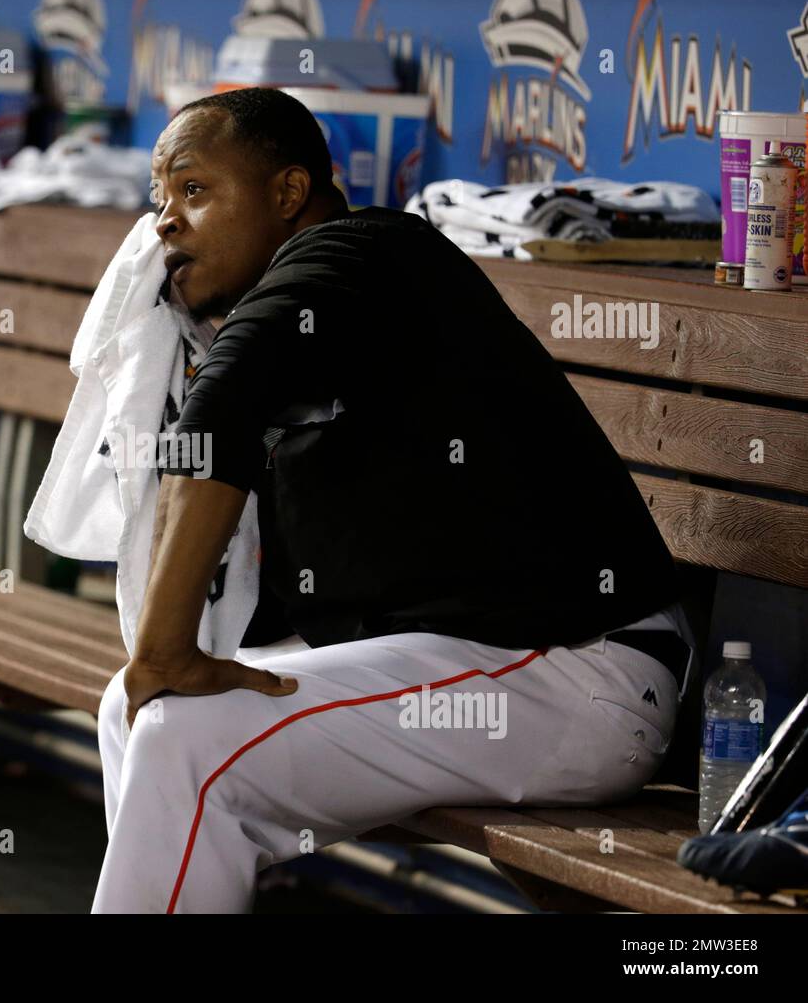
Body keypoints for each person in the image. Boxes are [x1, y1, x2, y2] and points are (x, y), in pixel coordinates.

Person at [91, 87, 694, 913]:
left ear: (288, 194)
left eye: (194, 192)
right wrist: (161, 663)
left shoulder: (363, 253)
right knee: (133, 709)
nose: (166, 220)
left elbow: (221, 406)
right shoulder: (286, 309)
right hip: (462, 656)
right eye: (160, 199)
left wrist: (164, 652)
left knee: (180, 732)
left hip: (580, 666)